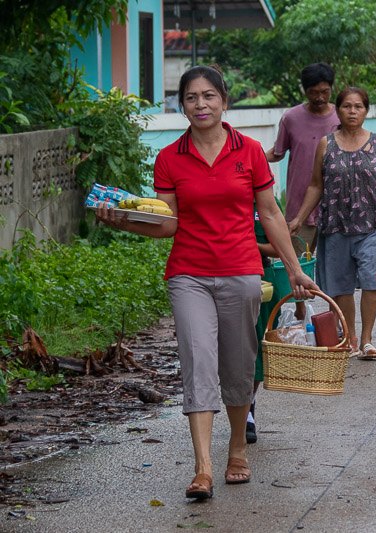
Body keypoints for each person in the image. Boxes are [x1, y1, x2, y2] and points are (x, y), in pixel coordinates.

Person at [95, 65, 317, 500]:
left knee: (238, 365)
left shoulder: (249, 151)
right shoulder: (169, 157)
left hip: (241, 271)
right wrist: (123, 222)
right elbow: (167, 224)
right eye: (191, 97)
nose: (201, 104)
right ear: (182, 106)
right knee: (197, 362)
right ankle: (203, 468)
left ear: (224, 101)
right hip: (188, 274)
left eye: (209, 96)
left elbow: (270, 214)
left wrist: (294, 268)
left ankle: (237, 449)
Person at [289, 88, 376, 359]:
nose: (352, 111)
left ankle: (367, 340)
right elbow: (315, 185)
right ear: (338, 110)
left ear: (366, 111)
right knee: (341, 287)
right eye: (347, 106)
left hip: (372, 225)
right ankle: (350, 337)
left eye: (358, 106)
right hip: (335, 226)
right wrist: (299, 218)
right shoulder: (326, 144)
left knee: (372, 282)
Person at [266, 63, 340, 319]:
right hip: (299, 206)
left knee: (335, 267)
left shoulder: (341, 117)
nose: (319, 97)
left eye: (325, 92)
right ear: (305, 91)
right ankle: (300, 313)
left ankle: (335, 317)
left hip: (336, 206)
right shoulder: (291, 118)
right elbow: (277, 152)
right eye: (313, 92)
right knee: (296, 262)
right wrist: (251, 159)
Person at [248, 212, 281, 444]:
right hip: (224, 274)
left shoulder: (264, 203)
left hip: (262, 279)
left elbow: (279, 246)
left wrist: (252, 245)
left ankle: (248, 407)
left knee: (258, 347)